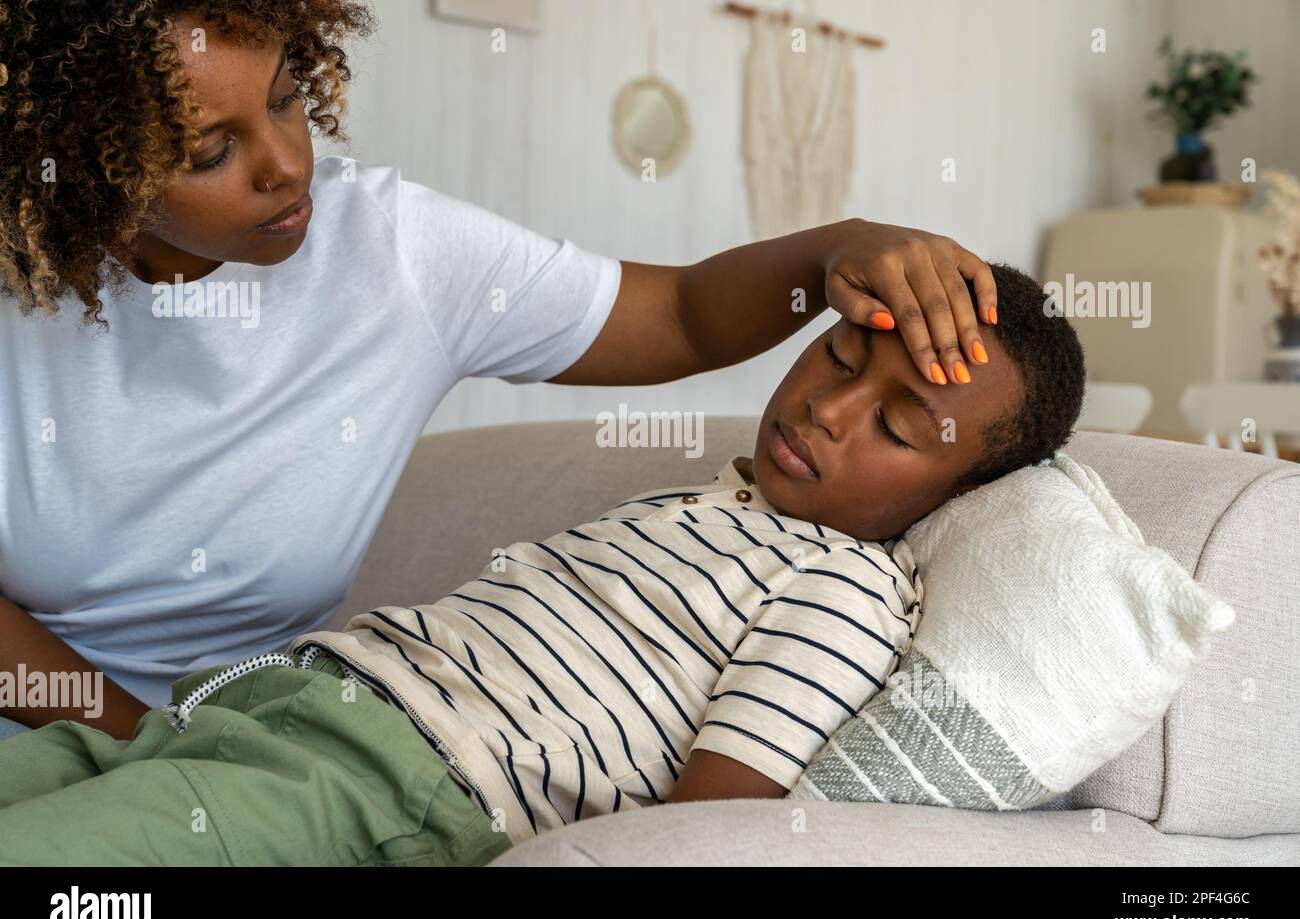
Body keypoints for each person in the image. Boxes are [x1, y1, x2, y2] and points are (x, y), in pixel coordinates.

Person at [0, 1, 997, 740]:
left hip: (245, 766)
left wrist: (834, 249)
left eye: (287, 99)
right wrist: (138, 747)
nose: (287, 165)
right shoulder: (17, 289)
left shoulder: (397, 253)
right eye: (213, 149)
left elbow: (682, 314)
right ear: (92, 163)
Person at [0, 264, 1086, 864]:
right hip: (249, 712)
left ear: (957, 495)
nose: (830, 405)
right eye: (840, 355)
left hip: (389, 786)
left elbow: (708, 826)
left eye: (898, 426)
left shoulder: (844, 590)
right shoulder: (707, 503)